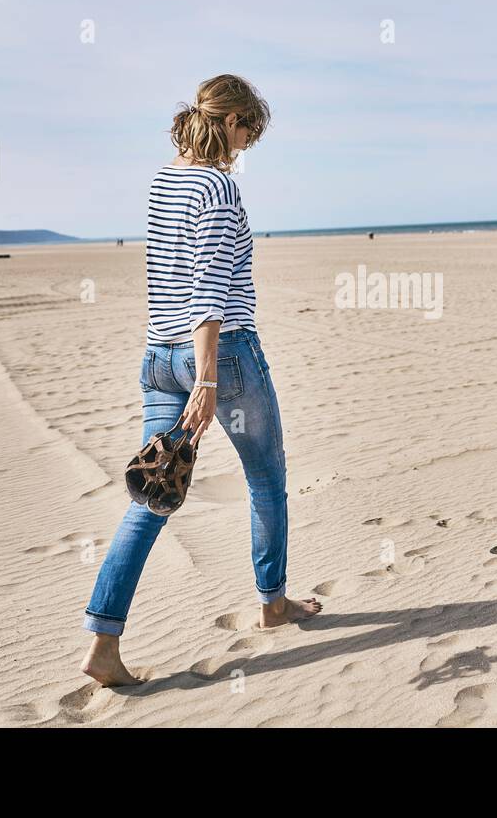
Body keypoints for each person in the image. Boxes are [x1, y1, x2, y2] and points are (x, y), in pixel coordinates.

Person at [80, 74, 320, 688]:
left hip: (160, 355)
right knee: (266, 477)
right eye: (247, 132)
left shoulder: (166, 180)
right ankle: (273, 602)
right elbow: (209, 288)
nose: (246, 146)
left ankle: (103, 643)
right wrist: (208, 381)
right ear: (230, 122)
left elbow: (171, 276)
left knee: (154, 489)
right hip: (221, 358)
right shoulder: (217, 186)